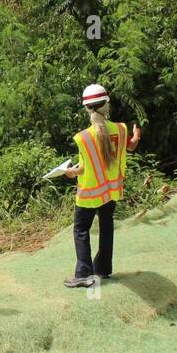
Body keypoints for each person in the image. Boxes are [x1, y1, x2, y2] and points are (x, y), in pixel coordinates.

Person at [63, 84, 141, 287]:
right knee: (106, 227)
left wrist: (71, 172)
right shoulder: (122, 129)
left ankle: (84, 274)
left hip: (89, 192)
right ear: (107, 104)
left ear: (87, 108)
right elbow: (130, 145)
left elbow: (82, 168)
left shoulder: (84, 137)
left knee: (81, 230)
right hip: (111, 191)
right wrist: (136, 136)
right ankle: (103, 269)